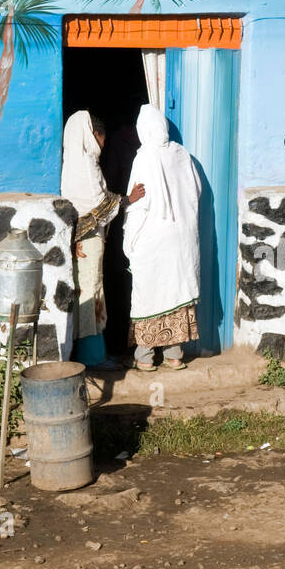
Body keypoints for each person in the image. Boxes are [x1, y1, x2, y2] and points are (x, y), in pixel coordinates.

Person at [122, 104, 201, 371]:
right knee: (175, 291)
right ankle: (175, 356)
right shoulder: (183, 155)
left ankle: (144, 357)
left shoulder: (143, 158)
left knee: (150, 293)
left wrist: (129, 242)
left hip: (153, 237)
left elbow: (138, 203)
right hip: (181, 237)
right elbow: (196, 192)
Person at [61, 108, 142, 368]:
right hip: (88, 241)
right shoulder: (84, 166)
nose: (105, 144)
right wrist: (128, 200)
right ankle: (92, 356)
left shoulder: (75, 164)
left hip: (85, 241)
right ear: (93, 135)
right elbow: (96, 204)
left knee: (91, 289)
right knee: (90, 290)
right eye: (102, 138)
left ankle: (94, 352)